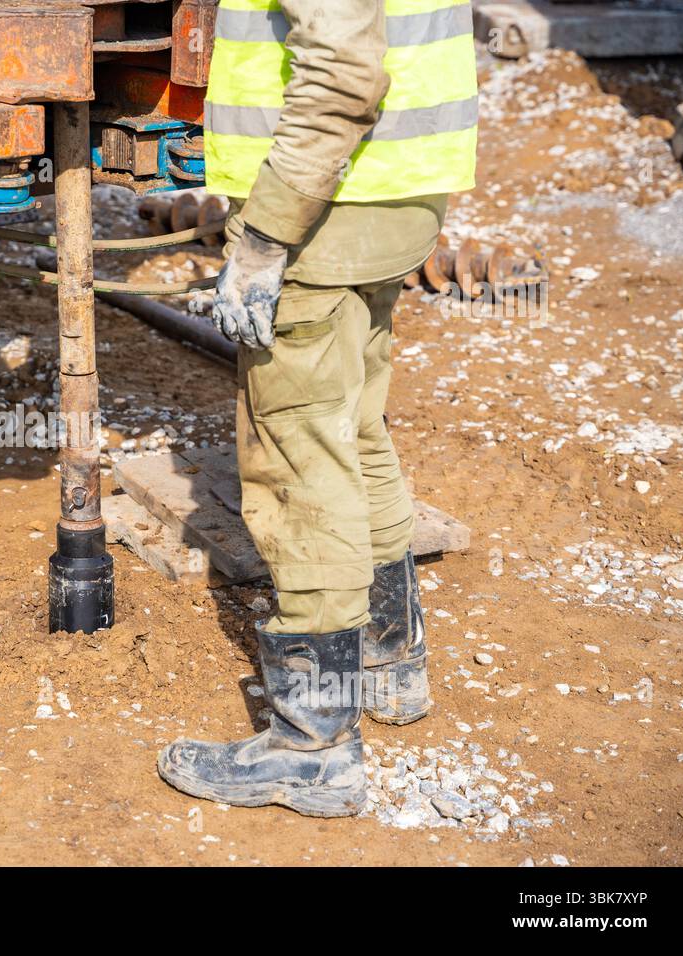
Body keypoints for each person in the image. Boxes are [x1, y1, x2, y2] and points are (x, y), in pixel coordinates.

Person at [158, 0, 478, 816]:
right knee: (355, 429)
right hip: (392, 197)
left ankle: (314, 745)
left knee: (300, 461)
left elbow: (341, 70)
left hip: (320, 217)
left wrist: (264, 236)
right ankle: (389, 664)